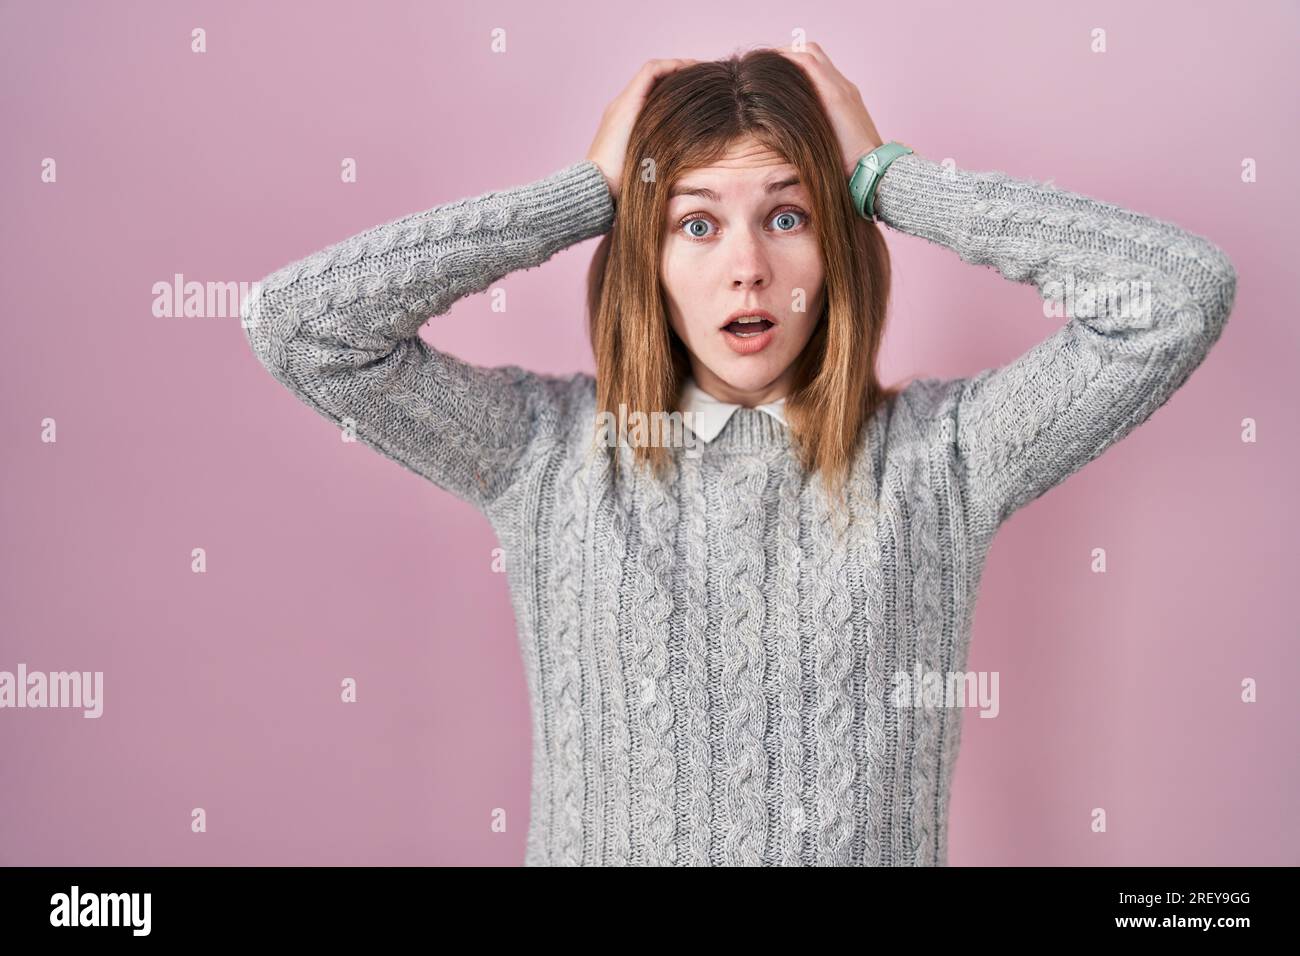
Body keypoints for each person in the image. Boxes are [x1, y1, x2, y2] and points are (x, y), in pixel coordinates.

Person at [241, 43, 1237, 866]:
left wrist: (893, 179)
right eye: (695, 222)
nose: (747, 264)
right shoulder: (546, 454)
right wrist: (585, 194)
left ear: (837, 244)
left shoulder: (943, 459)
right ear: (646, 255)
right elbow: (302, 325)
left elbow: (1177, 297)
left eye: (789, 215)